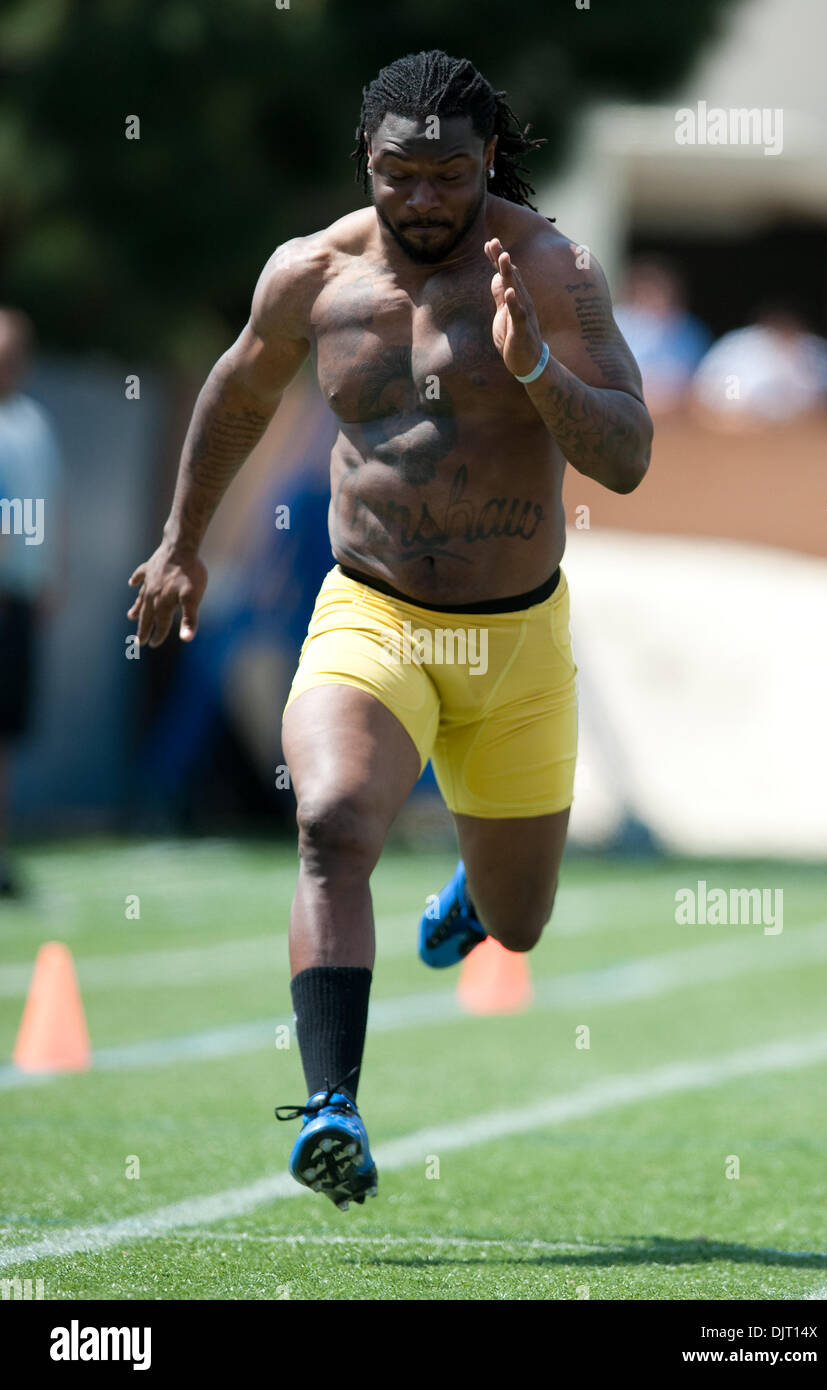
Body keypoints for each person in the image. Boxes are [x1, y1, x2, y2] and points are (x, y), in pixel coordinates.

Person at [127, 50, 652, 1210]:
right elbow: (239, 388)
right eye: (398, 174)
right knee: (329, 819)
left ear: (489, 163)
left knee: (518, 924)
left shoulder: (554, 270)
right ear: (365, 162)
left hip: (515, 636)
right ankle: (332, 1105)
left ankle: (476, 885)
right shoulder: (310, 272)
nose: (423, 199)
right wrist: (180, 542)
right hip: (374, 612)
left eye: (450, 175)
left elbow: (627, 456)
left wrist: (534, 370)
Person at [0, 309, 63, 898]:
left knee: (7, 732)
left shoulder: (32, 424)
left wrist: (47, 577)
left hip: (17, 600)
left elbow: (43, 511)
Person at [690, 300, 827, 426]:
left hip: (797, 433)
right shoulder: (737, 349)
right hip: (739, 430)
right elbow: (708, 393)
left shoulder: (815, 351)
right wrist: (735, 412)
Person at [613, 257, 711, 415]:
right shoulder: (615, 324)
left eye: (663, 294)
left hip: (677, 416)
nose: (658, 300)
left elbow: (699, 382)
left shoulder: (690, 330)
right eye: (649, 293)